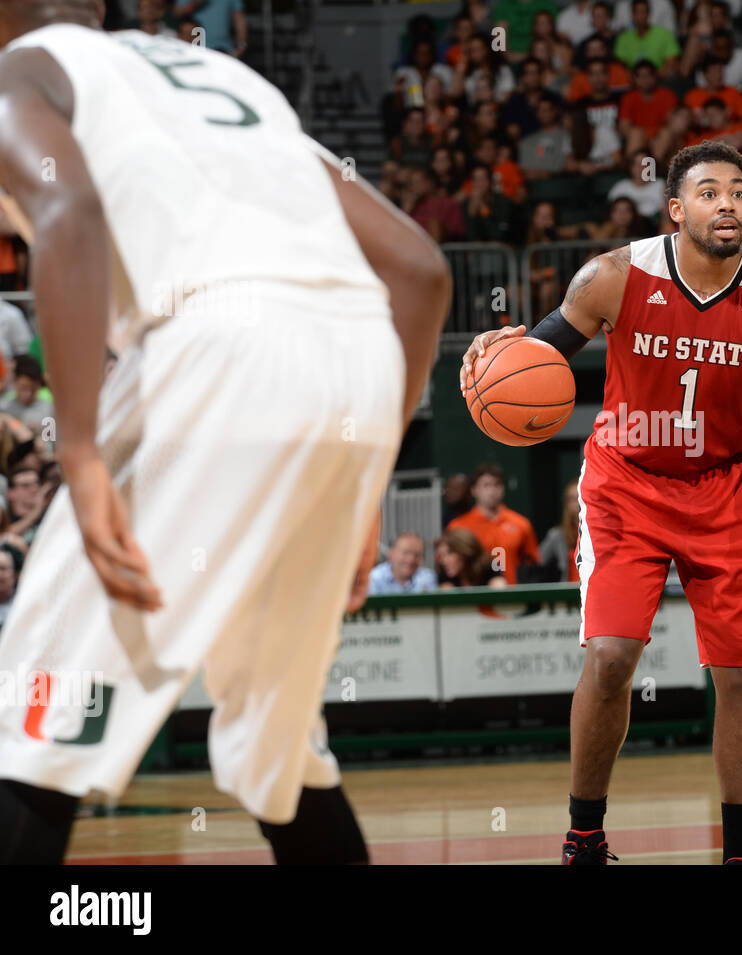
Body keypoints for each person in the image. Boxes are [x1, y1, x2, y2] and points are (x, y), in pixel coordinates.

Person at [0, 5, 450, 865]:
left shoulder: (26, 71)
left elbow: (67, 213)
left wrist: (83, 454)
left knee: (39, 713)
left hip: (217, 350)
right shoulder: (219, 79)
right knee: (279, 749)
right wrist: (364, 496)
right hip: (354, 355)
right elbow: (420, 270)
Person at [459, 140, 742, 865]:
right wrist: (499, 357)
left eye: (738, 192)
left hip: (726, 488)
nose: (727, 204)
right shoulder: (613, 276)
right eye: (709, 192)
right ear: (675, 209)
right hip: (627, 482)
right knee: (610, 657)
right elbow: (541, 356)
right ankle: (585, 833)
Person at [446, 463, 540, 585]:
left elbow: (532, 564)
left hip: (513, 596)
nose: (492, 491)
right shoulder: (458, 526)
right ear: (474, 490)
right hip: (474, 596)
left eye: (497, 485)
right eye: (486, 485)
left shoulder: (521, 524)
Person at [538, 479, 581, 582]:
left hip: (592, 591)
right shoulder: (557, 535)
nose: (578, 503)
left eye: (580, 497)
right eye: (573, 499)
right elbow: (538, 559)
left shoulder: (597, 533)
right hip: (568, 593)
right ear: (566, 503)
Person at [368, 532, 437, 595]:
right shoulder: (374, 578)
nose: (411, 559)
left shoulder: (428, 578)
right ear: (391, 554)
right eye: (405, 553)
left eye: (417, 555)